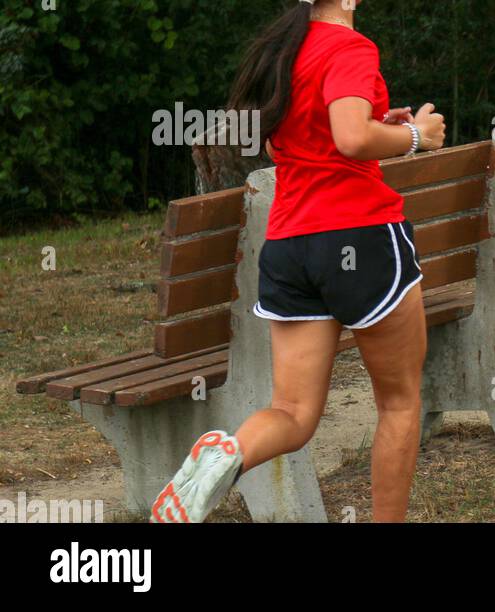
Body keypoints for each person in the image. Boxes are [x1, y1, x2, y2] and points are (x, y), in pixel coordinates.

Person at [151, 0, 446, 523]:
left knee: (291, 412)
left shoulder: (282, 52)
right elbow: (350, 138)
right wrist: (415, 137)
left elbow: (303, 140)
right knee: (399, 404)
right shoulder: (350, 46)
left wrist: (380, 123)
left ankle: (229, 451)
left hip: (290, 245)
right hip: (360, 235)